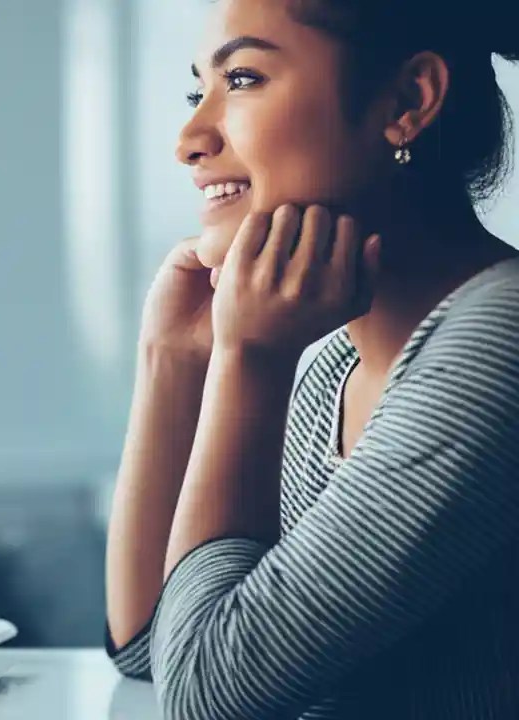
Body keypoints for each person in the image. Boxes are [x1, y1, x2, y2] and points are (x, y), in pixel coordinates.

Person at [103, 1, 519, 718]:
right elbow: (150, 646)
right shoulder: (335, 366)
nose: (189, 139)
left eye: (242, 79)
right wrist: (172, 359)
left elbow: (206, 695)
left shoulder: (500, 341)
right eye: (194, 91)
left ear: (407, 101)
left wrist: (252, 357)